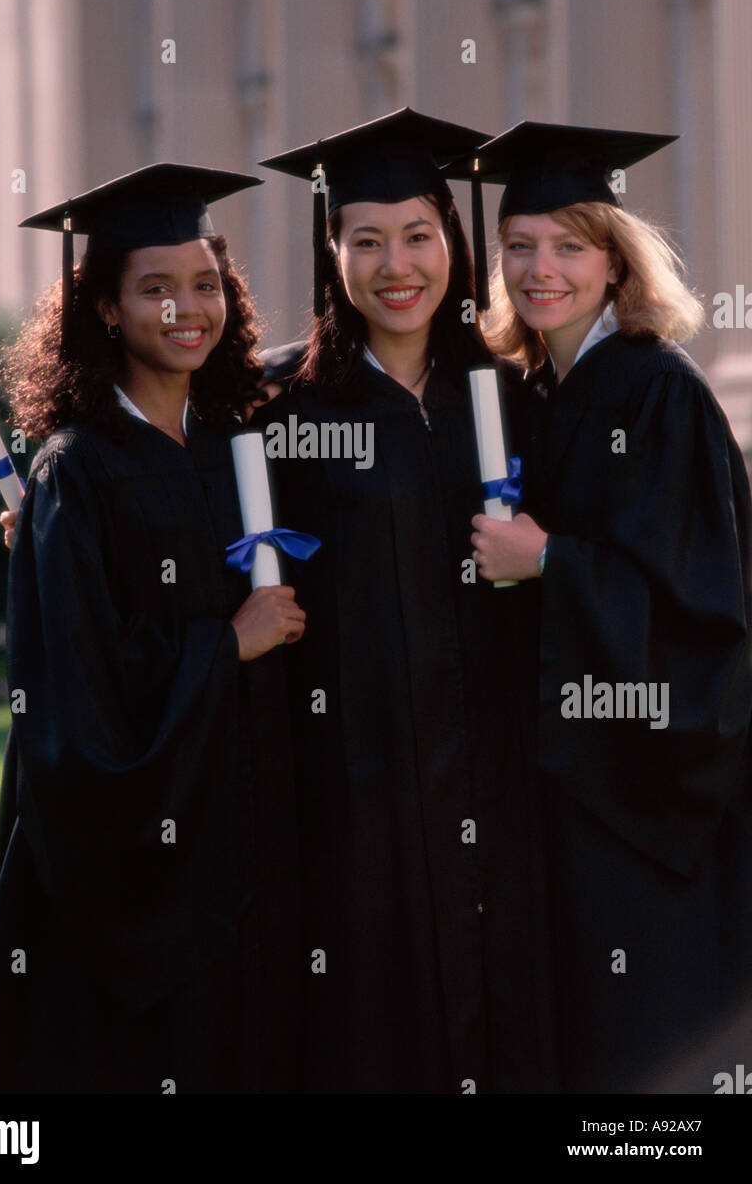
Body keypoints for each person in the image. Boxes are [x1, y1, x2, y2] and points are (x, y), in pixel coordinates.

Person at [0, 164, 307, 1094]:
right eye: (155, 288)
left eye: (205, 285)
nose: (187, 308)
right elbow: (78, 687)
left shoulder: (235, 442)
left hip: (234, 825)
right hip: (122, 847)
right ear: (106, 308)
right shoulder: (76, 472)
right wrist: (227, 642)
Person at [256, 108, 557, 1094]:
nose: (399, 264)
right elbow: (156, 494)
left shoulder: (516, 391)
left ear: (454, 243)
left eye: (420, 234)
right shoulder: (277, 410)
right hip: (353, 793)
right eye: (368, 239)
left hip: (501, 783)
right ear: (330, 250)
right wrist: (47, 522)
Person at [456, 121, 752, 1093]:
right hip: (559, 793)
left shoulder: (656, 391)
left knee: (644, 1036)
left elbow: (707, 612)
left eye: (570, 246)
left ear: (616, 262)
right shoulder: (535, 389)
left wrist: (554, 561)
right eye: (520, 248)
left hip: (645, 801)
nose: (542, 269)